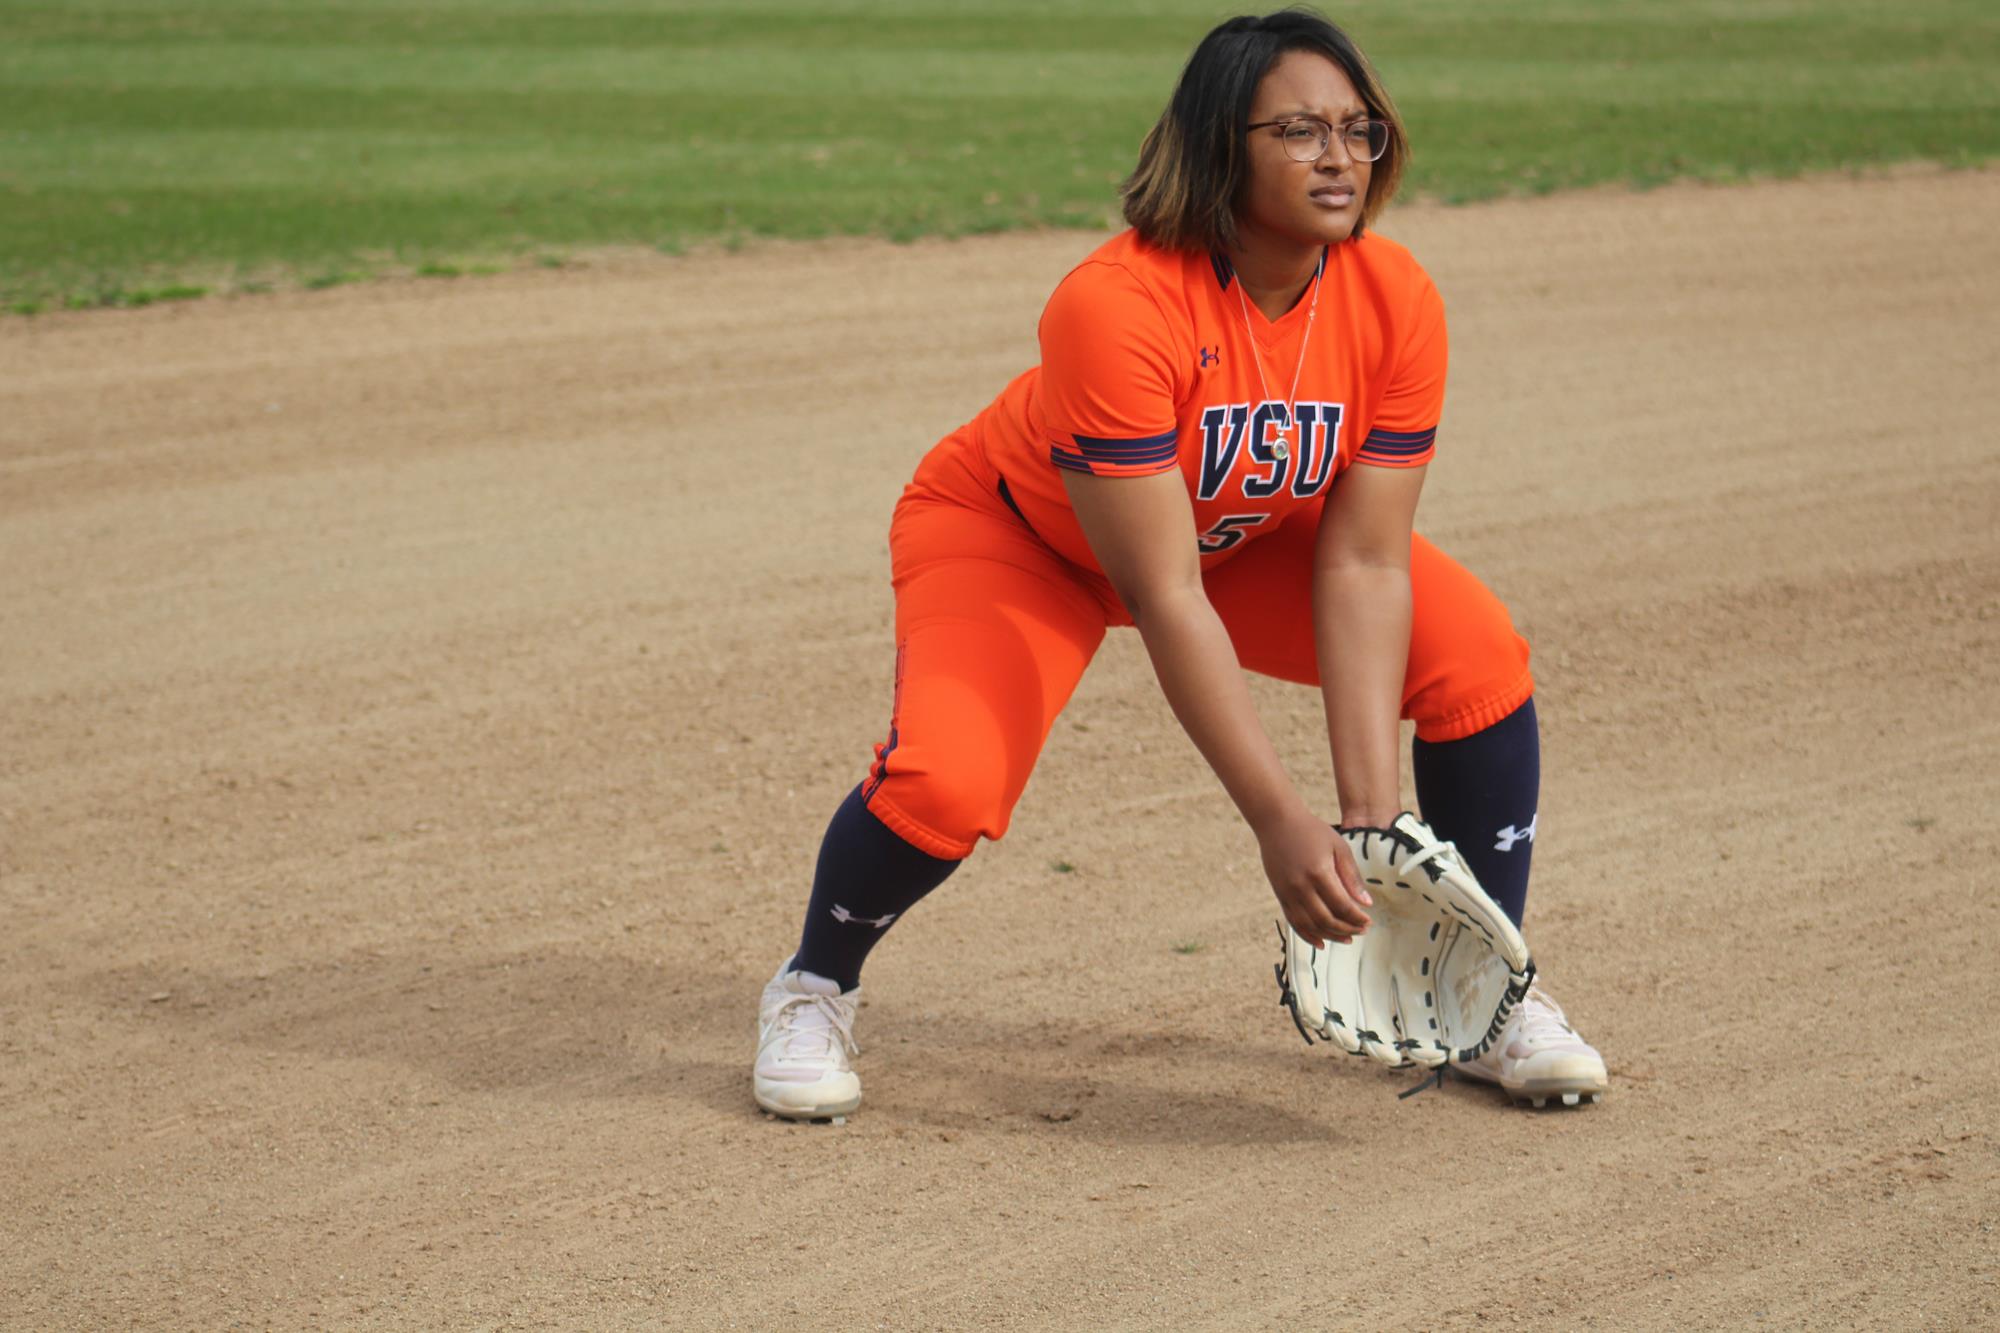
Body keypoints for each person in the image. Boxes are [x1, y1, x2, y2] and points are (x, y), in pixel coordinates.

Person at [753, 8, 1607, 1121]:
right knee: (946, 781)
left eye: (1360, 129)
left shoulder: (1393, 299)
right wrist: (1276, 818)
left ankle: (1486, 1000)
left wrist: (1366, 827)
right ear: (1217, 142)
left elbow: (1360, 564)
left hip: (1230, 535)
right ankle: (814, 983)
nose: (1339, 155)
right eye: (1298, 129)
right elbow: (1161, 594)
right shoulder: (1115, 306)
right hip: (1018, 539)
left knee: (1475, 659)